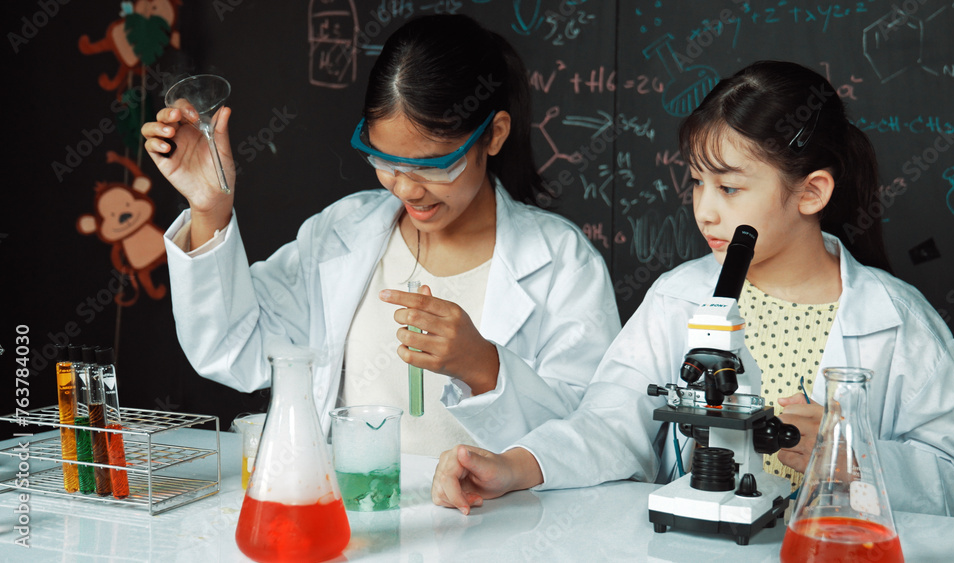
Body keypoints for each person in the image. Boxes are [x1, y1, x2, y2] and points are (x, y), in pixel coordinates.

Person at [431, 60, 954, 519]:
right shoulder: (679, 297)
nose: (705, 209)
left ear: (812, 192)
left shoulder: (896, 319)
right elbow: (609, 423)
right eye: (697, 181)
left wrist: (847, 455)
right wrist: (516, 465)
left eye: (730, 186)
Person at [140, 14, 621, 456]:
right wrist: (210, 206)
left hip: (498, 537)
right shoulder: (342, 234)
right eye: (385, 161)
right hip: (359, 526)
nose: (407, 187)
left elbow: (597, 438)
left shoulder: (561, 263)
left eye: (435, 165)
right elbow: (234, 348)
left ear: (494, 135)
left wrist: (485, 368)